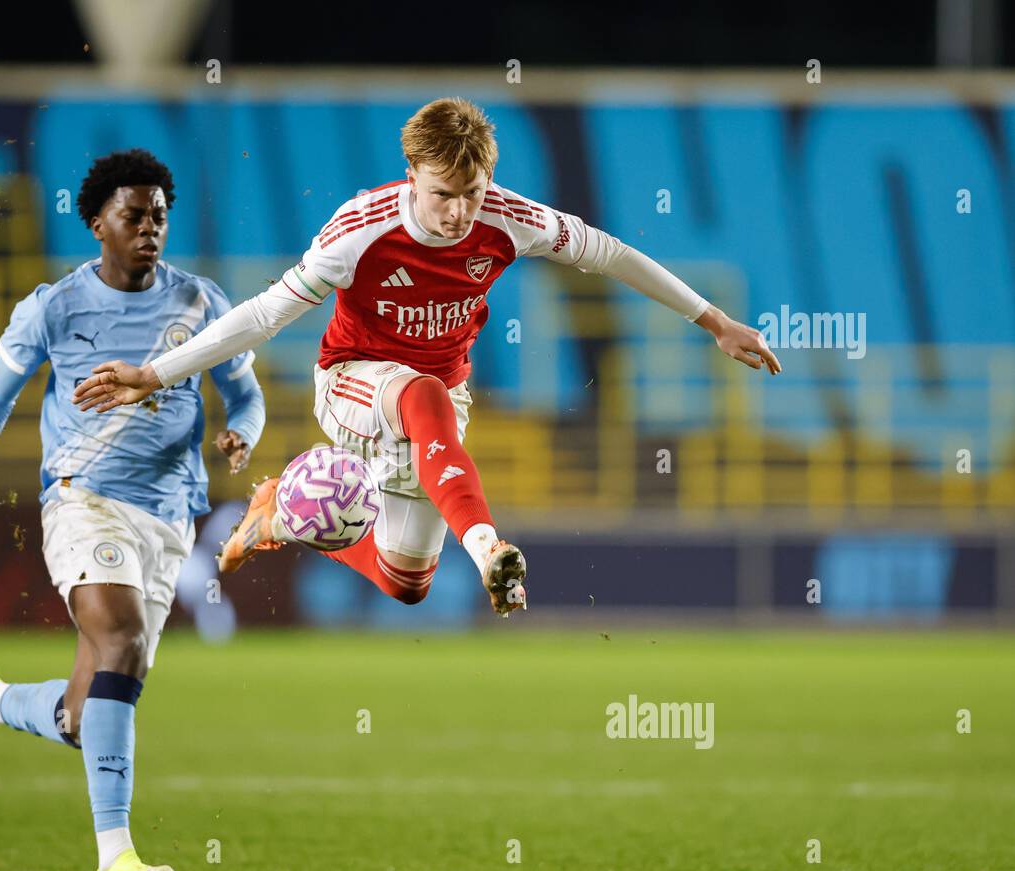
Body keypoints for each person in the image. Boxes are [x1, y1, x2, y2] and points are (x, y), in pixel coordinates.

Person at [72, 98, 779, 617]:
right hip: (352, 384)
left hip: (439, 397)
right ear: (411, 174)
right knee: (423, 396)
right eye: (443, 195)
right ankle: (490, 551)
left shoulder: (510, 219)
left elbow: (614, 254)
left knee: (406, 582)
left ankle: (277, 512)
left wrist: (715, 322)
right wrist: (153, 374)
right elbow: (264, 313)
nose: (459, 213)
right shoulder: (360, 231)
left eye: (472, 195)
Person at [0, 149, 265, 871]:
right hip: (84, 500)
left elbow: (247, 396)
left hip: (170, 514)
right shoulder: (54, 306)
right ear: (97, 223)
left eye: (159, 218)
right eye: (134, 216)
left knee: (88, 714)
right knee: (119, 637)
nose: (150, 230)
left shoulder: (202, 303)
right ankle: (116, 861)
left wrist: (242, 433)